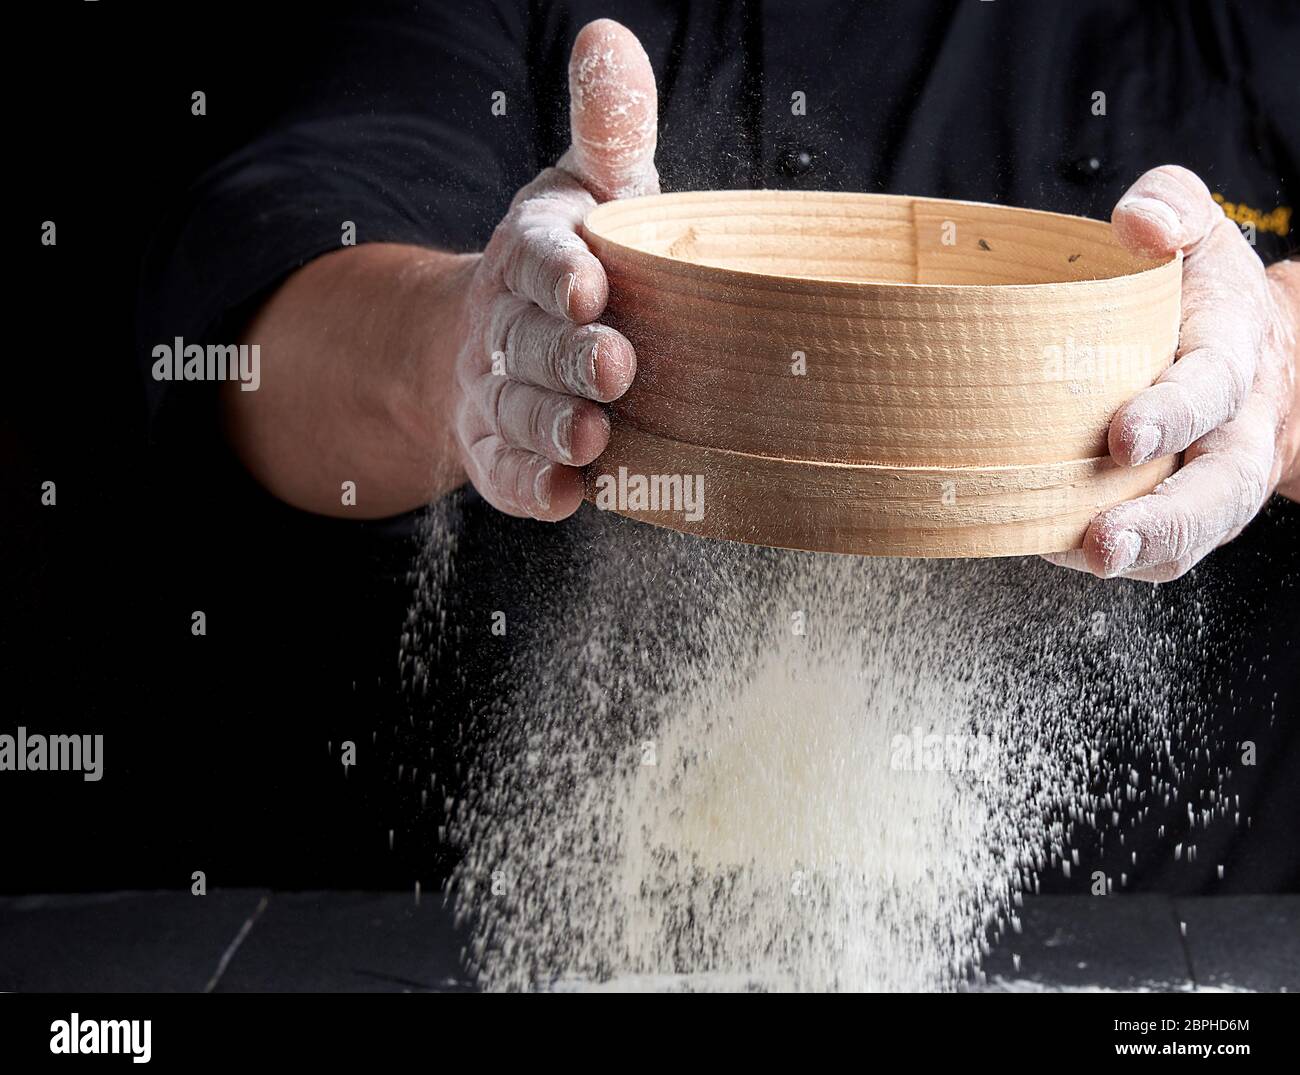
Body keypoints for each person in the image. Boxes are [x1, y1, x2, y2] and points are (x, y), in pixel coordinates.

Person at [139, 1, 1300, 890]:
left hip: (1159, 937)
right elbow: (249, 316)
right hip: (503, 905)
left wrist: (1278, 360)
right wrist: (465, 350)